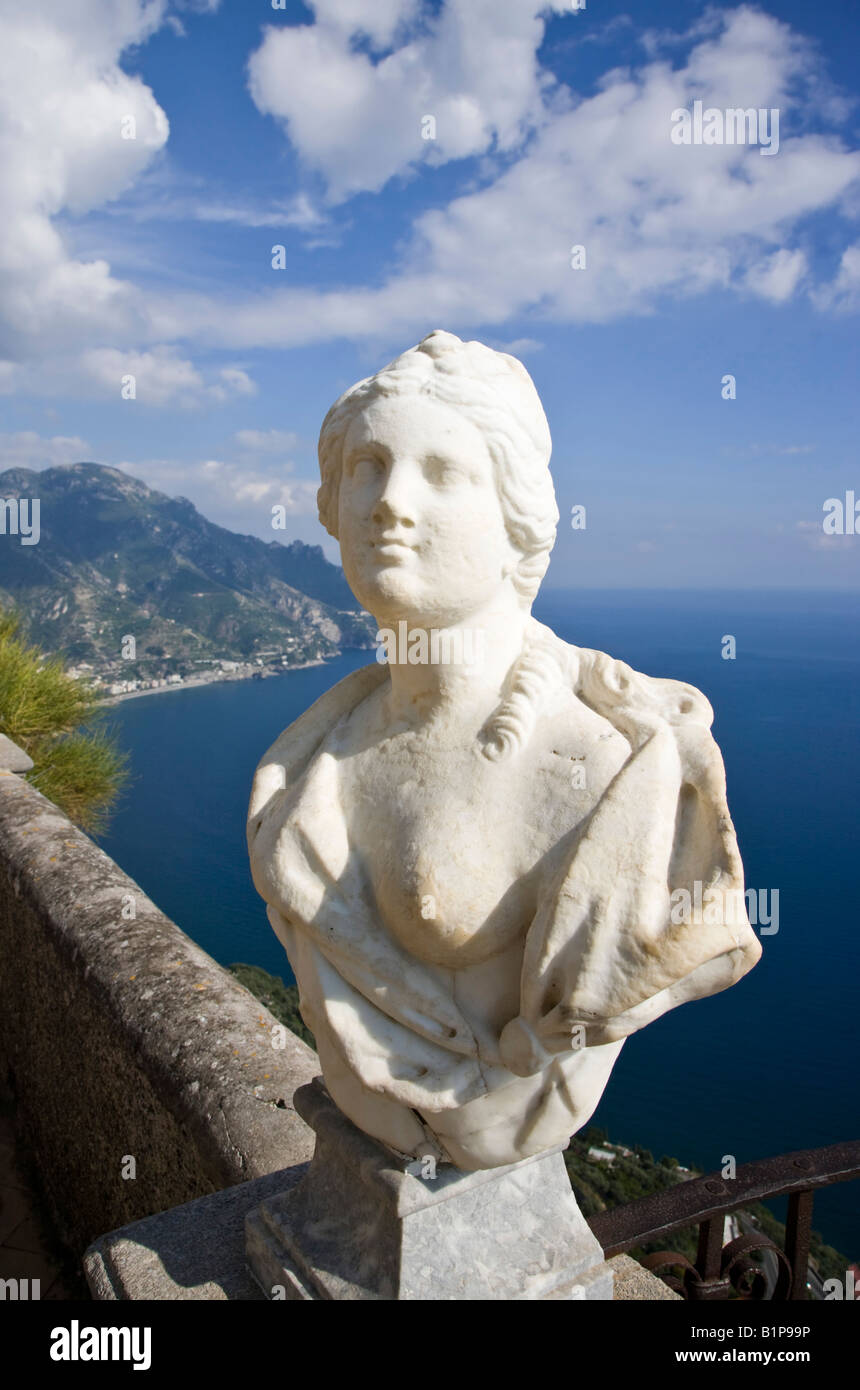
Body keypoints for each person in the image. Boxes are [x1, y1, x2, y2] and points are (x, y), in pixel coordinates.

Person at [247, 330, 761, 1171]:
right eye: (367, 466)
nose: (389, 502)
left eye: (443, 472)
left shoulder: (612, 778)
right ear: (332, 507)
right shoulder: (305, 763)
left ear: (515, 520)